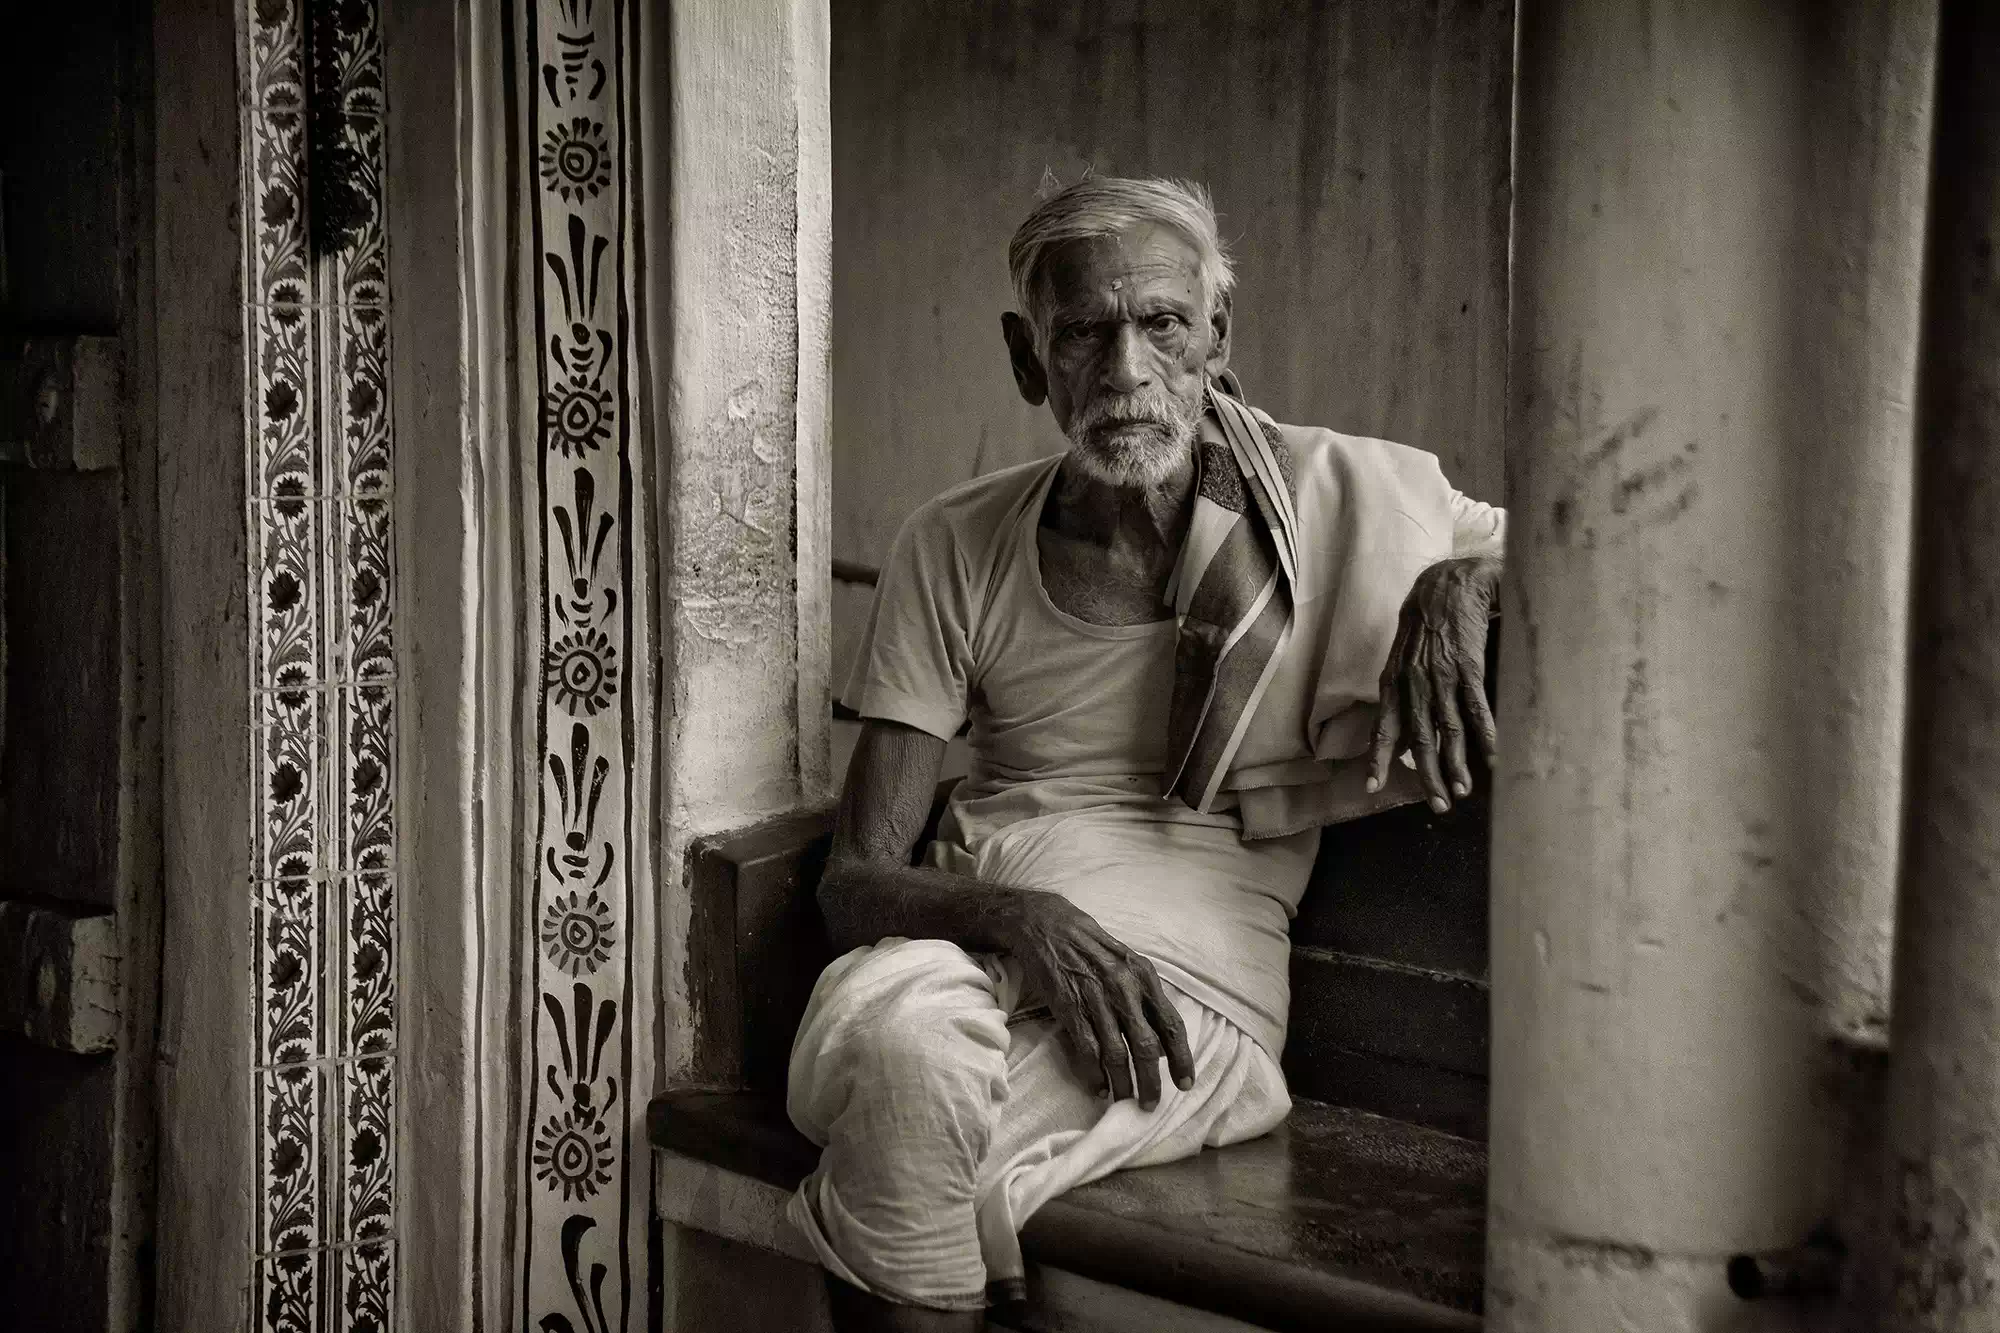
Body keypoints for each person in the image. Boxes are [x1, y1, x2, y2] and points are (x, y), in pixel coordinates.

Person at [788, 175, 1505, 1332]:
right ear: (1030, 360)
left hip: (1181, 994)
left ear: (1215, 337)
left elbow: (1597, 553)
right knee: (904, 1048)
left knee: (911, 1132)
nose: (1125, 370)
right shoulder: (953, 540)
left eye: (1161, 323)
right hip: (971, 944)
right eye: (1083, 332)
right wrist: (1027, 918)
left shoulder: (1337, 497)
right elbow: (852, 883)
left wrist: (1461, 579)